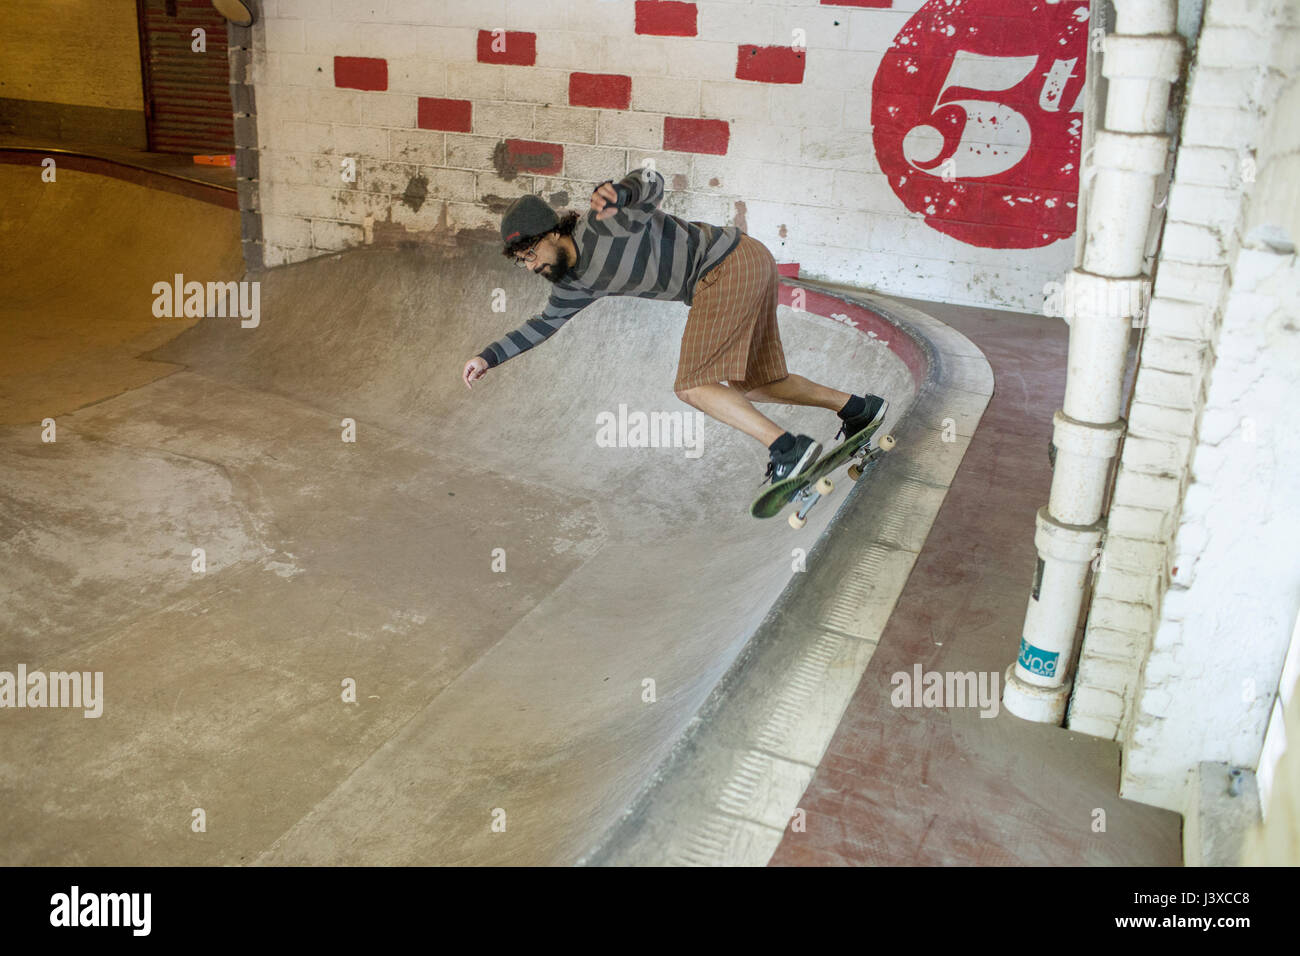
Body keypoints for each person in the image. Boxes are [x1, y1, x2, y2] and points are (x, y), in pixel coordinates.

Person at [461, 169, 886, 489]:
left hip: (725, 265)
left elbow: (652, 181)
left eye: (532, 253)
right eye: (523, 262)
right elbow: (541, 325)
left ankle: (787, 449)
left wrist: (621, 191)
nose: (533, 266)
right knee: (752, 384)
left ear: (554, 231)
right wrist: (487, 356)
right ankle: (856, 408)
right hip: (746, 260)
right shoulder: (573, 284)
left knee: (692, 385)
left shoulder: (604, 222)